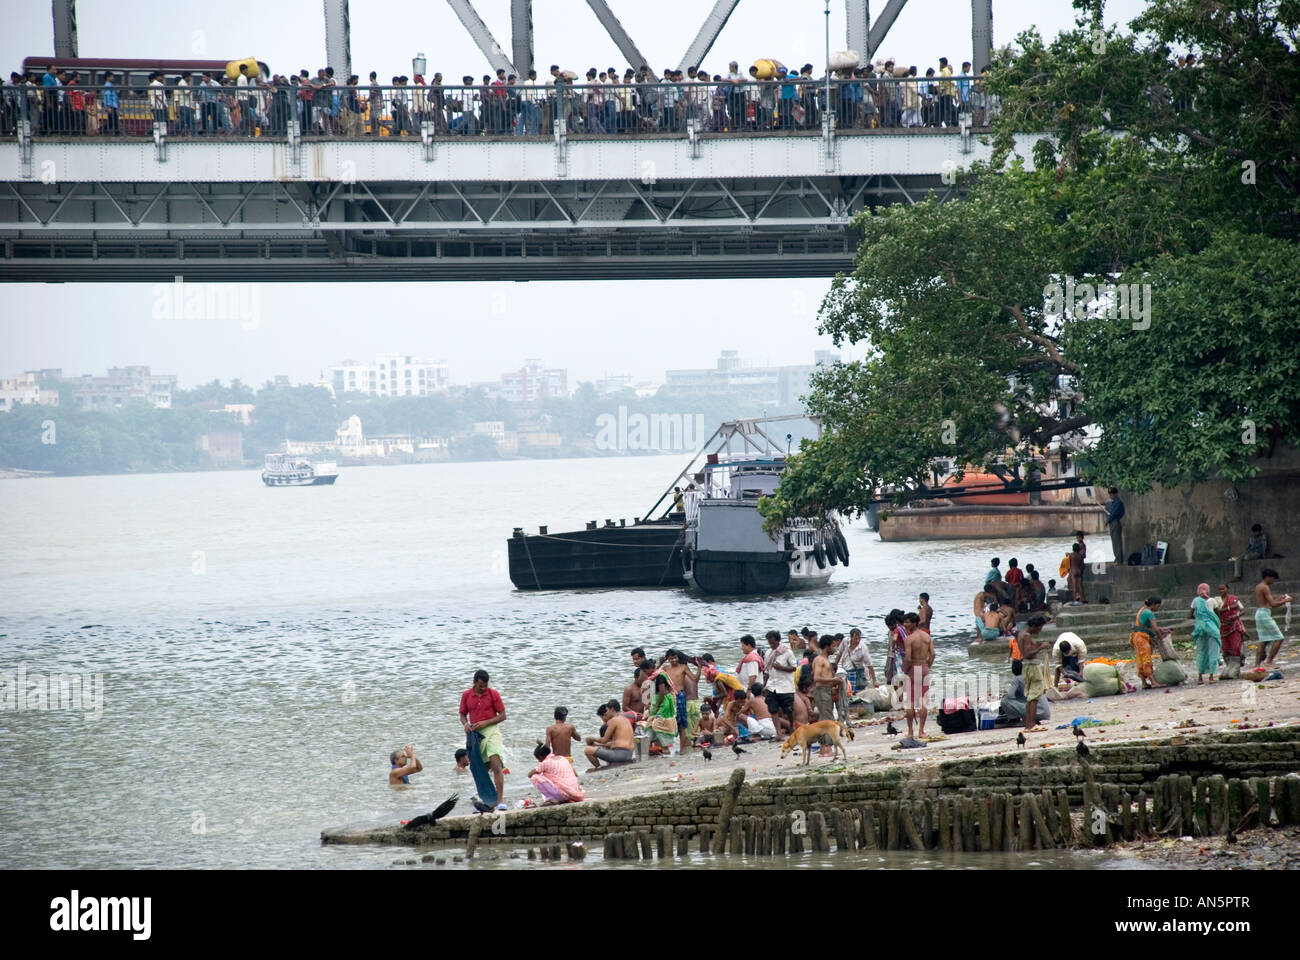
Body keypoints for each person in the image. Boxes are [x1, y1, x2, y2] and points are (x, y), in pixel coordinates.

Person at [459, 669, 508, 810]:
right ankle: (486, 799)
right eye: (480, 686)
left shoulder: (493, 694)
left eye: (485, 686)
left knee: (496, 763)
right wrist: (466, 724)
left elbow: (503, 715)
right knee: (481, 769)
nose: (483, 689)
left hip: (492, 730)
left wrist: (486, 722)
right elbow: (462, 715)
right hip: (475, 734)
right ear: (474, 682)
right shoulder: (466, 695)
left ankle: (499, 800)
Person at [901, 612, 934, 739]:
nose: (905, 624)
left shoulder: (909, 639)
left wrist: (905, 670)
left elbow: (908, 658)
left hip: (913, 669)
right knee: (923, 701)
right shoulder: (927, 636)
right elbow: (933, 654)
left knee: (910, 702)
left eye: (907, 622)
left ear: (914, 623)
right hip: (924, 668)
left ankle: (910, 732)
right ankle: (921, 731)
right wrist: (927, 666)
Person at [1253, 568, 1292, 668]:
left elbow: (1267, 603)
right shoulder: (1265, 587)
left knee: (1263, 640)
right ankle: (1269, 660)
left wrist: (1279, 599)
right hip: (1264, 614)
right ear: (1268, 577)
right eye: (1273, 578)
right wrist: (1286, 600)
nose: (1273, 581)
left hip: (1260, 613)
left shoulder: (1258, 586)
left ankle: (1257, 665)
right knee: (1279, 638)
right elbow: (1273, 604)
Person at [1131, 596, 1173, 688]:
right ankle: (1153, 682)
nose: (1158, 608)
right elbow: (1155, 628)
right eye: (1158, 606)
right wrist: (1161, 638)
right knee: (1146, 659)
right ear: (1153, 604)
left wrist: (1162, 630)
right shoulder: (1149, 613)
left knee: (1141, 659)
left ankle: (1144, 683)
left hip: (1137, 637)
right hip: (1142, 638)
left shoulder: (1143, 610)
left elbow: (1146, 627)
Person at [1017, 616, 1050, 732]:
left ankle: (1028, 725)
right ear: (1034, 626)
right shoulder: (1026, 636)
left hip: (1027, 667)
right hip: (1032, 666)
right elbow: (1027, 654)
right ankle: (1031, 724)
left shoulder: (1021, 634)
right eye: (1040, 627)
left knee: (1030, 696)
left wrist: (1038, 645)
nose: (1040, 630)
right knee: (1035, 696)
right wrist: (1040, 647)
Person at [584, 701, 635, 770]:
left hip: (619, 755)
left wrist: (592, 738)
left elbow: (604, 740)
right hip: (629, 754)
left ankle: (599, 768)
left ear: (612, 709)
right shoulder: (626, 720)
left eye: (607, 710)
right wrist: (597, 743)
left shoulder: (613, 720)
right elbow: (616, 741)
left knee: (587, 750)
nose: (606, 713)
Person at [1189, 582, 1222, 684]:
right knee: (1213, 651)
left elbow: (1190, 615)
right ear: (1208, 590)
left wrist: (1201, 619)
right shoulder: (1213, 601)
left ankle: (1200, 678)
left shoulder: (1195, 601)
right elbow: (1217, 615)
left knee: (1201, 652)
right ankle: (1211, 677)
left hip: (1200, 629)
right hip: (1212, 629)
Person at [762, 629, 797, 724]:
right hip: (771, 686)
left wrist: (781, 667)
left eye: (773, 643)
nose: (771, 645)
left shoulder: (787, 652)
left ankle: (791, 726)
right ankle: (779, 734)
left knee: (789, 710)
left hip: (785, 687)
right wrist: (764, 685)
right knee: (773, 710)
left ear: (778, 641)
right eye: (769, 643)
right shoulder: (768, 653)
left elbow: (794, 667)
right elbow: (766, 671)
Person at [1215, 582, 1248, 675]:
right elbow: (1217, 612)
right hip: (1222, 626)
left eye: (1223, 589)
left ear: (1227, 589)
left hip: (1234, 626)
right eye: (1220, 589)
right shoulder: (1216, 600)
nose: (1221, 591)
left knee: (1235, 646)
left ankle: (1236, 668)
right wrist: (1230, 608)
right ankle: (1229, 666)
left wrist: (1235, 615)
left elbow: (1243, 610)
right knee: (1225, 648)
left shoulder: (1233, 599)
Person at [646, 674, 679, 753]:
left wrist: (657, 706)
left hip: (663, 703)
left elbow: (662, 692)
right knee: (651, 725)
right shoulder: (657, 674)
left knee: (659, 724)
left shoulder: (660, 676)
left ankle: (665, 748)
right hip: (662, 702)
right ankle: (653, 747)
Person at [839, 627, 878, 692]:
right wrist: (835, 667)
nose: (858, 640)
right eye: (855, 638)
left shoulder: (863, 648)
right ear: (851, 637)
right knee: (845, 691)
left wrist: (875, 680)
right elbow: (839, 653)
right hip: (845, 670)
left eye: (859, 638)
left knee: (856, 692)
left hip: (857, 672)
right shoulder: (845, 641)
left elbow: (869, 665)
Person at [1105, 487, 1125, 562]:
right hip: (1112, 523)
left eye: (1112, 494)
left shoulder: (1118, 502)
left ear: (1115, 494)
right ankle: (1117, 558)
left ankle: (1119, 559)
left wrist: (1107, 521)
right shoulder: (1113, 503)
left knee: (1117, 542)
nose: (1110, 496)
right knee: (1114, 541)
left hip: (1115, 522)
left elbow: (1113, 514)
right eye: (1110, 494)